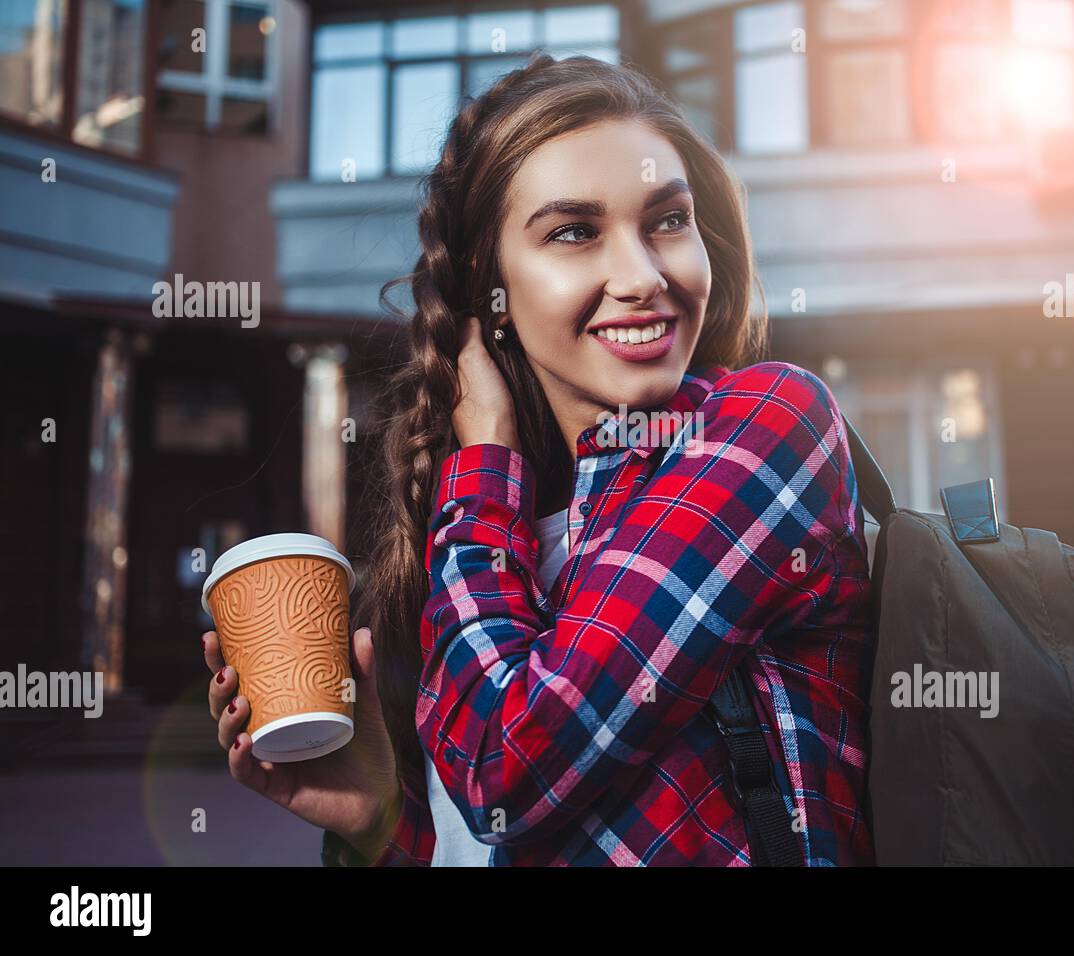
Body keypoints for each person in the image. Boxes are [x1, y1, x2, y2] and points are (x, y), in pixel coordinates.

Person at [202, 52, 874, 866]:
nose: (642, 275)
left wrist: (484, 458)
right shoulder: (482, 543)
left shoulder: (766, 425)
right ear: (493, 284)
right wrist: (383, 819)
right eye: (574, 232)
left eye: (667, 219)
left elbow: (505, 770)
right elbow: (499, 831)